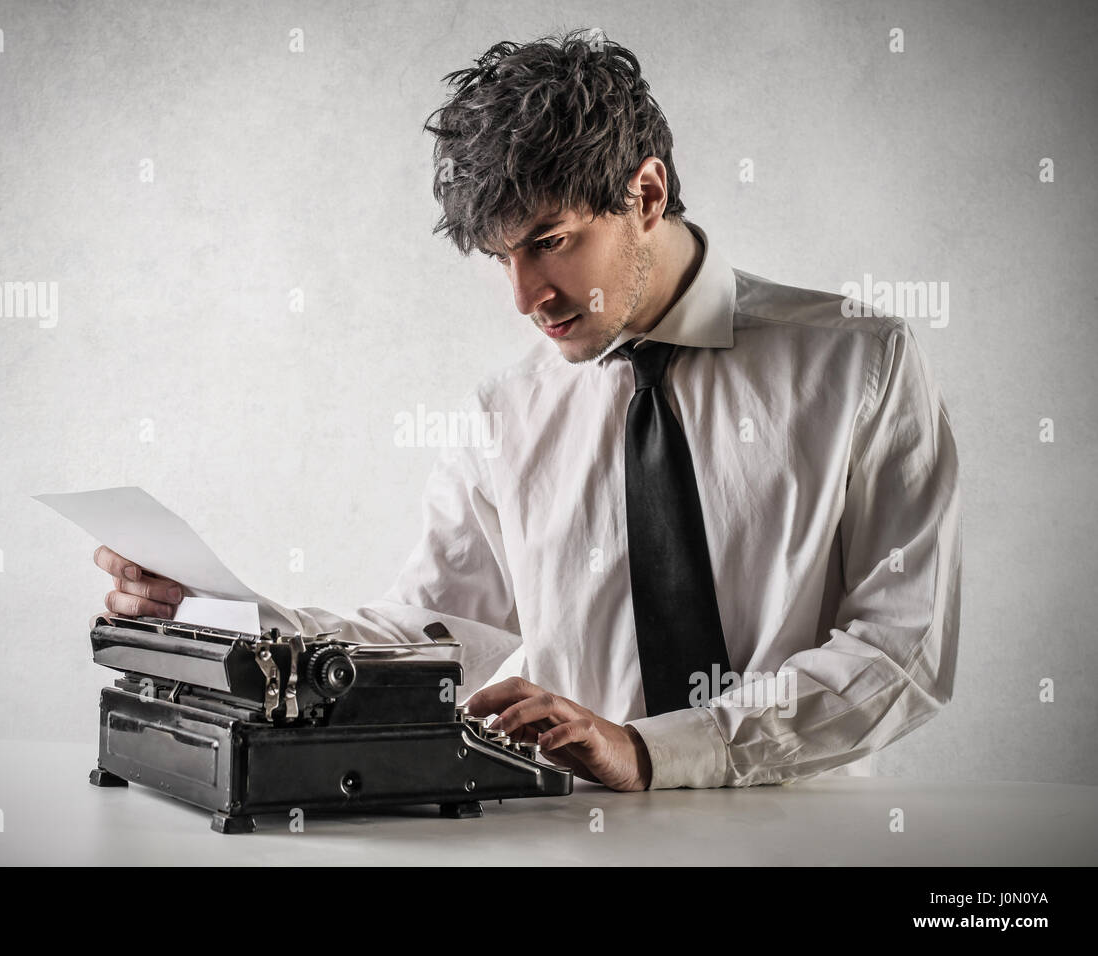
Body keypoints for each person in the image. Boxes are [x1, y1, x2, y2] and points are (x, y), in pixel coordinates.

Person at [94, 30, 962, 792]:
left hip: (805, 843)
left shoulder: (860, 360)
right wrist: (221, 616)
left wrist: (655, 750)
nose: (526, 297)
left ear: (647, 195)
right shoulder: (505, 413)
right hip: (571, 838)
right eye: (500, 257)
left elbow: (900, 649)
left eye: (549, 243)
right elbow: (428, 636)